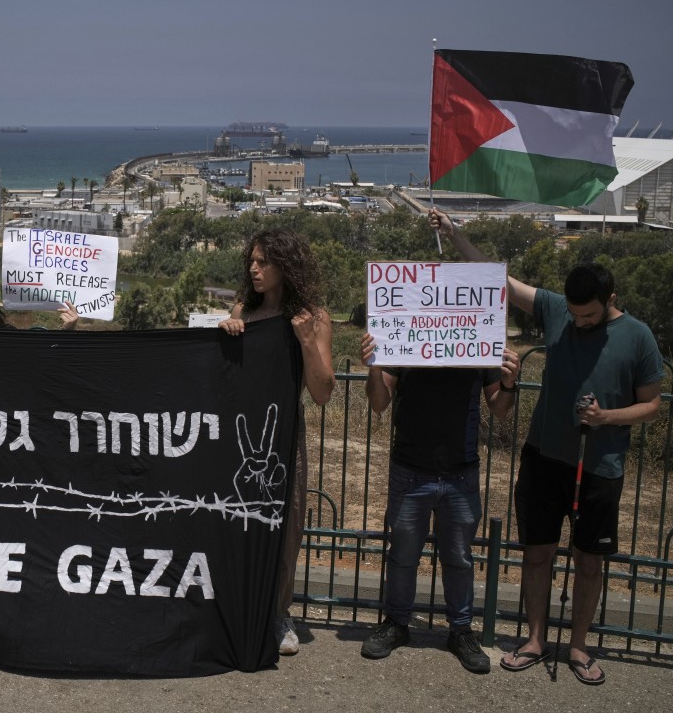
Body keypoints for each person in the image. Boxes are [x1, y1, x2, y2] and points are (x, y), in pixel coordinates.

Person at [431, 209, 663, 685]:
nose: (579, 322)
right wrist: (454, 235)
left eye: (589, 316)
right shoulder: (557, 309)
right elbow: (498, 280)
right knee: (537, 554)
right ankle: (535, 640)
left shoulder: (639, 337)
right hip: (542, 459)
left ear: (611, 300)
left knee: (589, 562)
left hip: (600, 467)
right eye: (574, 315)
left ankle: (578, 647)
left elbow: (652, 405)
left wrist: (606, 418)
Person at [358, 331, 521, 673]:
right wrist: (374, 366)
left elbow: (500, 409)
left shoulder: (478, 336)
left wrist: (509, 384)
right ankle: (396, 623)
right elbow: (378, 403)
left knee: (459, 559)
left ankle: (460, 631)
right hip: (410, 469)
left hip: (461, 472)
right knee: (403, 555)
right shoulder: (403, 332)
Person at [218, 227, 336, 655]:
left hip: (283, 435)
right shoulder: (243, 311)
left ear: (286, 267)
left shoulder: (314, 318)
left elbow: (323, 391)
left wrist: (305, 341)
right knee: (237, 518)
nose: (254, 268)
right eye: (251, 261)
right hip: (238, 433)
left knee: (286, 524)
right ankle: (238, 605)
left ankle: (278, 613)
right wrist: (227, 330)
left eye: (263, 262)